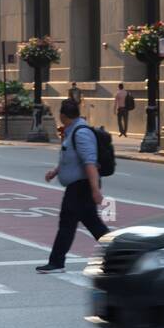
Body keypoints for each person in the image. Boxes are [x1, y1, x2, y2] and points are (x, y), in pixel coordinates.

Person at [37, 98, 109, 273]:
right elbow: (71, 159)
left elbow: (89, 163)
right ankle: (121, 253)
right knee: (93, 224)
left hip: (81, 187)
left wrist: (95, 191)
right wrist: (56, 171)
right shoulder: (73, 130)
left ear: (62, 115)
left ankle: (56, 262)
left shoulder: (80, 132)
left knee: (68, 223)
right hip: (78, 186)